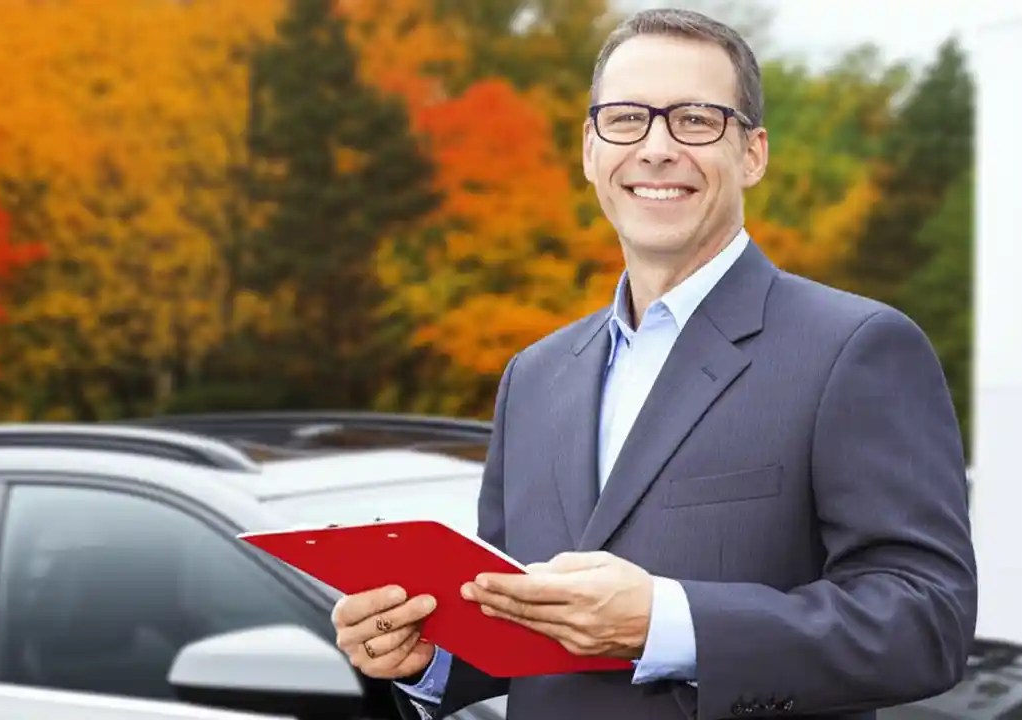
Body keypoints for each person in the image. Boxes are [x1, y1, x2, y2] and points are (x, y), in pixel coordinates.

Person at [330, 7, 977, 720]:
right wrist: (430, 658)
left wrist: (667, 623)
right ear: (589, 149)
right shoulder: (534, 377)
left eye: (696, 120)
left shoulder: (856, 349)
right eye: (627, 119)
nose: (657, 148)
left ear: (753, 153)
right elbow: (512, 620)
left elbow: (927, 621)